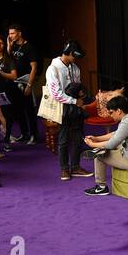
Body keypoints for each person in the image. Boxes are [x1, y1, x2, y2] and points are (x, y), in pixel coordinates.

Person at [45, 40, 92, 181]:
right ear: (69, 53)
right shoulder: (53, 69)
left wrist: (81, 95)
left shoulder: (75, 68)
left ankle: (76, 167)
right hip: (62, 107)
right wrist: (74, 101)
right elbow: (56, 94)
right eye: (74, 56)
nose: (75, 59)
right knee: (64, 139)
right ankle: (64, 169)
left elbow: (78, 87)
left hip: (75, 107)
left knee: (78, 137)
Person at [82, 93, 128, 196]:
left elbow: (111, 144)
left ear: (119, 111)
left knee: (99, 155)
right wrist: (97, 138)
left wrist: (92, 144)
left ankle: (101, 187)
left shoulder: (127, 123)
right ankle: (98, 149)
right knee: (106, 146)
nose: (110, 115)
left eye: (111, 112)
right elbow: (116, 134)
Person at [6, 24, 38, 144]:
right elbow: (9, 60)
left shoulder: (29, 47)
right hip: (14, 82)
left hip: (25, 82)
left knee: (29, 110)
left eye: (13, 33)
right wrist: (9, 46)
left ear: (20, 33)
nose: (10, 36)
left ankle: (34, 135)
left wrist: (29, 85)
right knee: (19, 110)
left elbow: (34, 67)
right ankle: (24, 134)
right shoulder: (12, 46)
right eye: (9, 34)